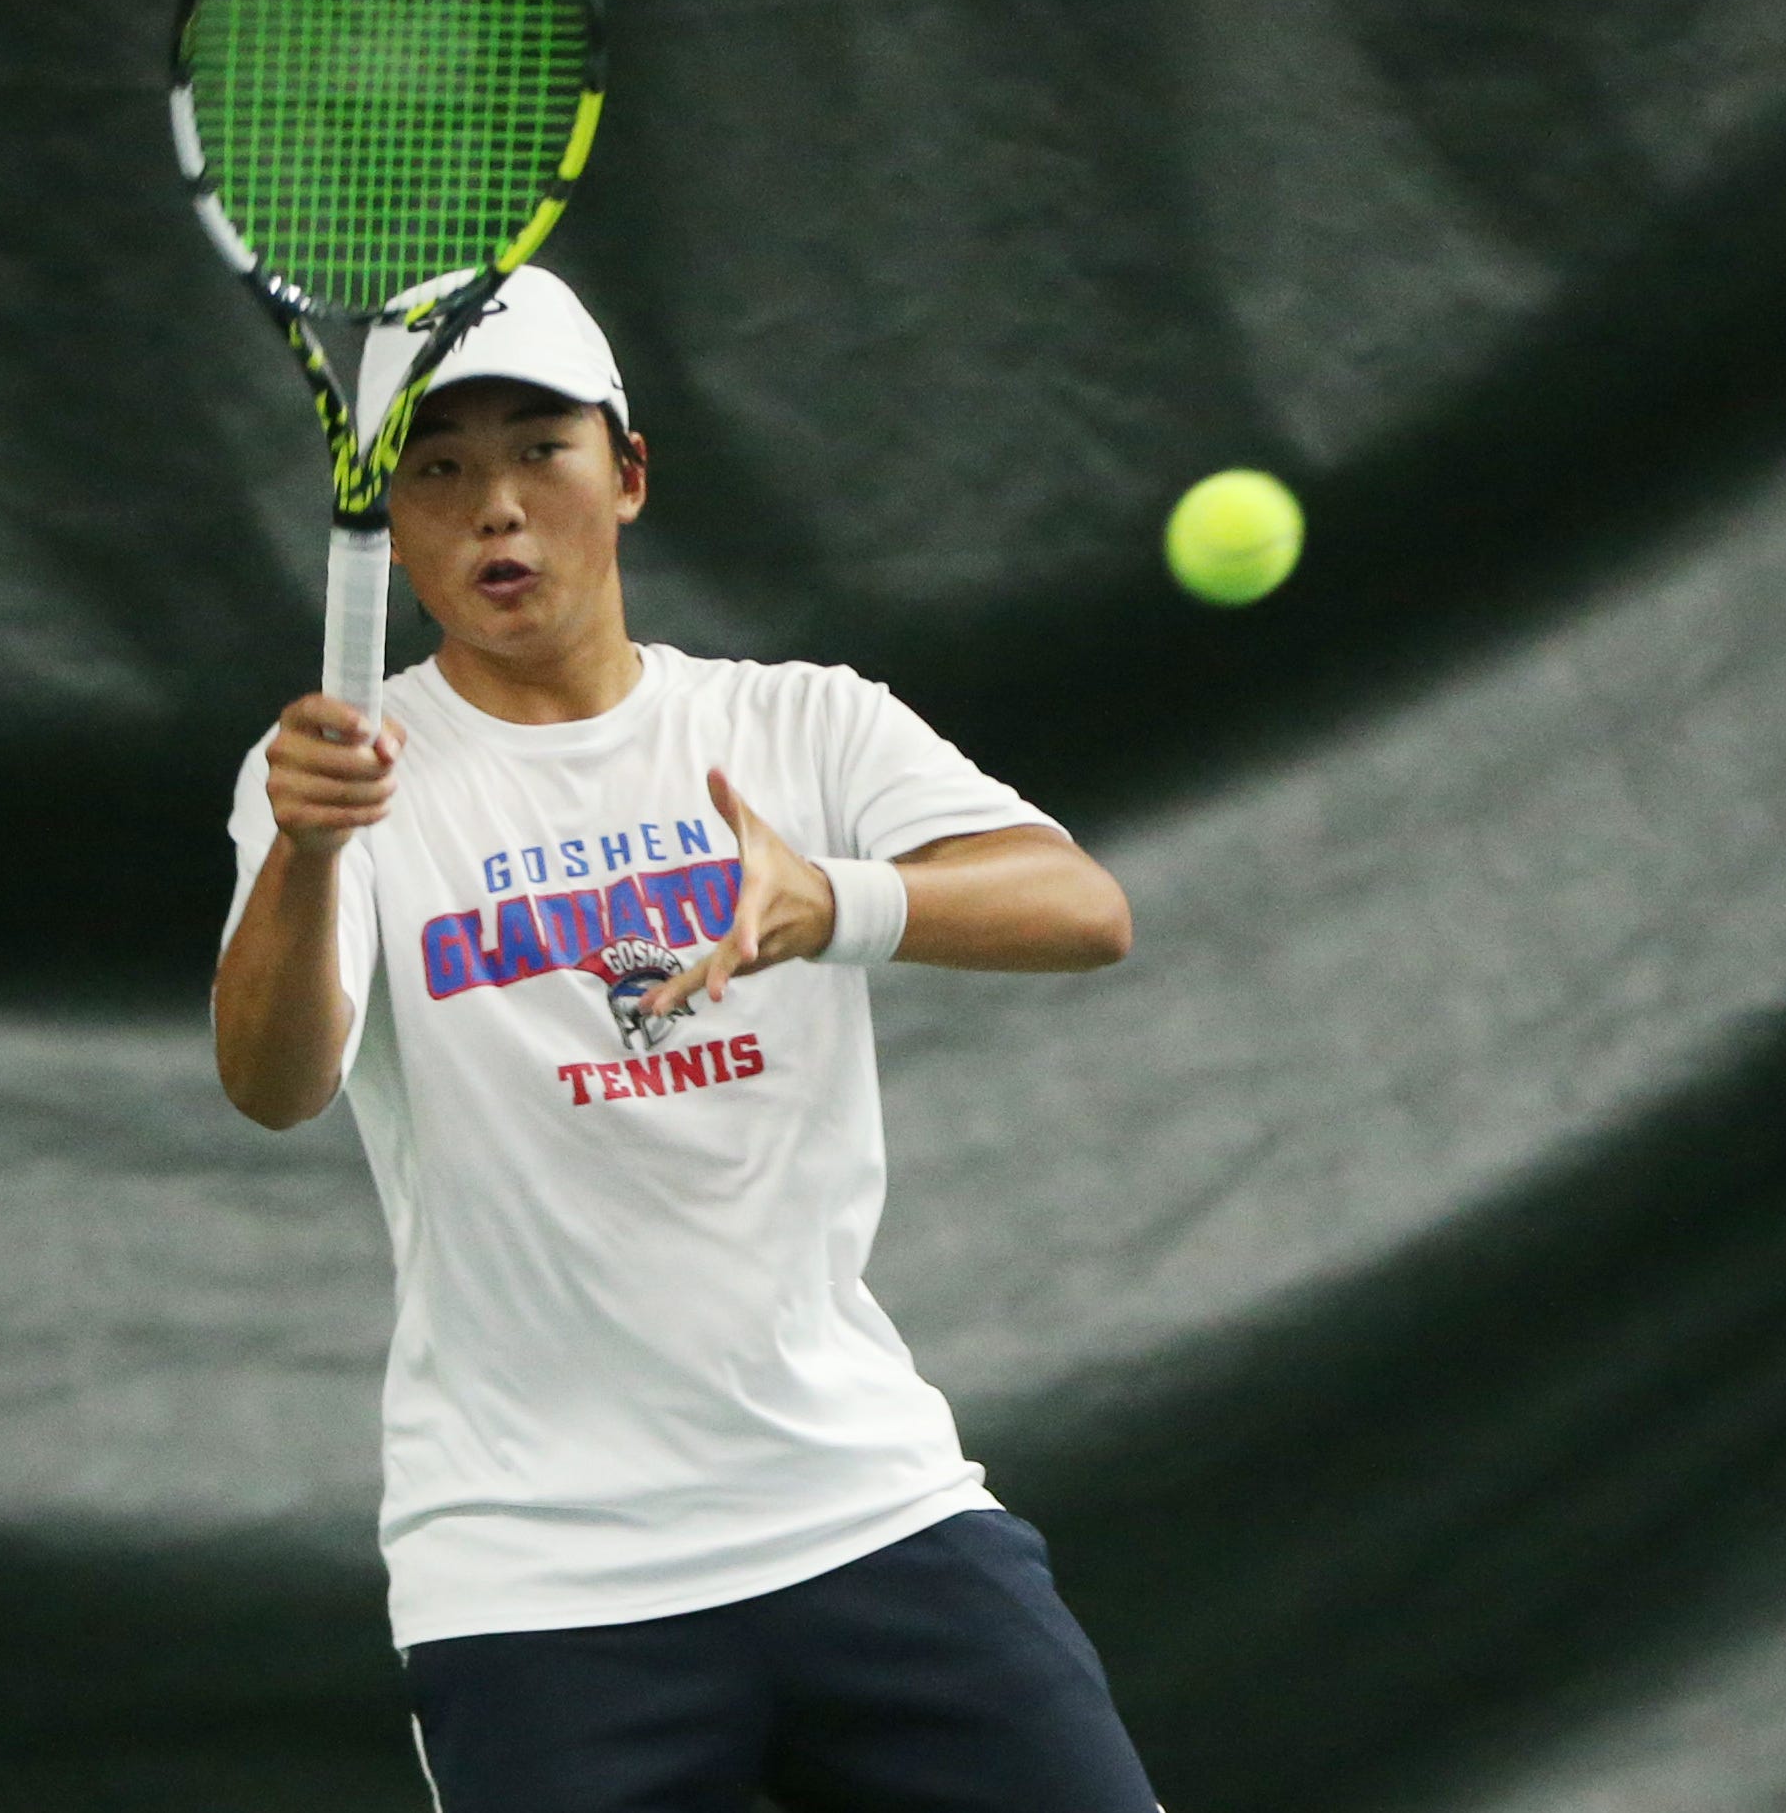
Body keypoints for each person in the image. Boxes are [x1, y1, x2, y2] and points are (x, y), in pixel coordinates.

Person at [213, 266, 1160, 1813]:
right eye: (438, 468)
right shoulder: (335, 772)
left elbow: (1079, 905)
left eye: (539, 449)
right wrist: (311, 854)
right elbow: (275, 1081)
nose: (495, 508)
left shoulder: (805, 724)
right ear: (388, 518)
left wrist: (827, 899)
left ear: (627, 474)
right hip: (539, 1586)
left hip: (866, 1510)